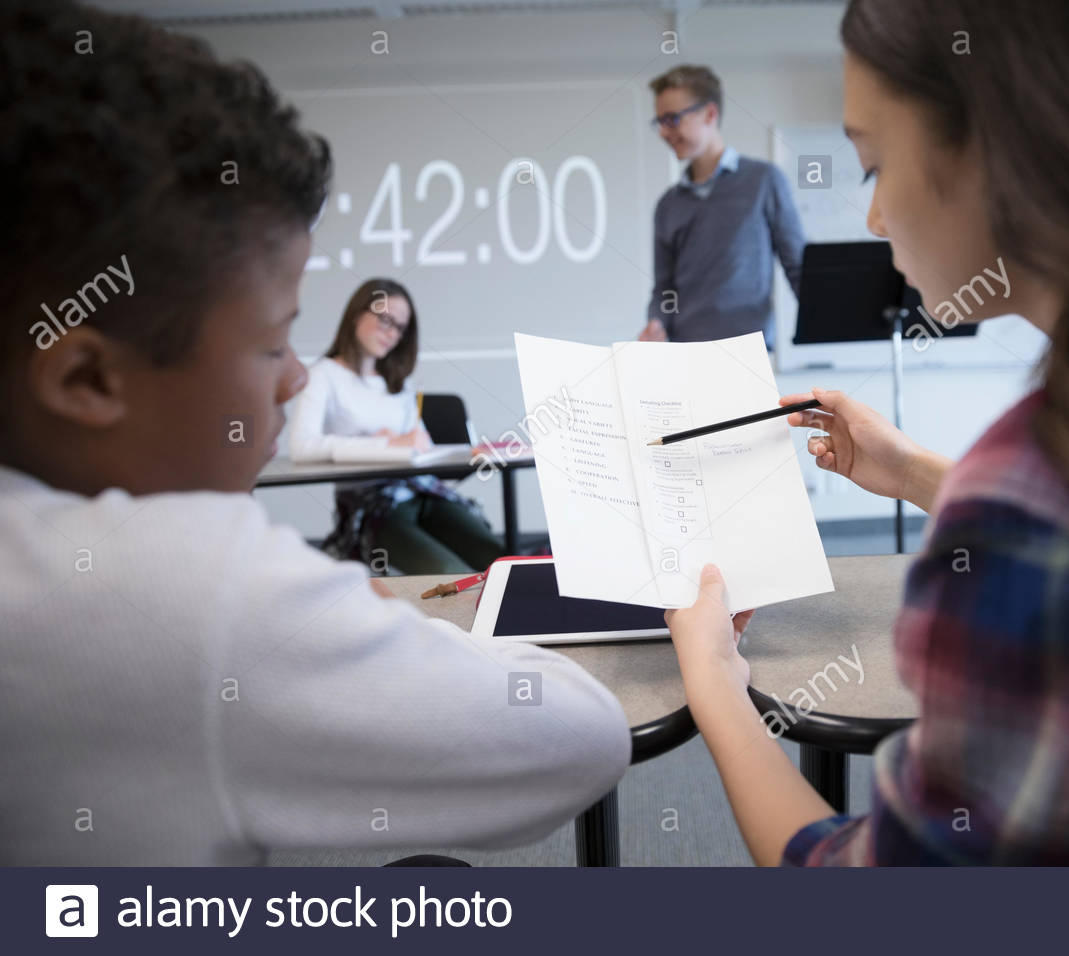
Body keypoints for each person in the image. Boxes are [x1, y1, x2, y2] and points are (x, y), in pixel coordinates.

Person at [666, 0, 1069, 865]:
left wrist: (717, 690)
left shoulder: (1027, 517)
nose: (877, 216)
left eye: (873, 165)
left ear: (1012, 145)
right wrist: (924, 473)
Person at [0, 0, 628, 865]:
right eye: (268, 343)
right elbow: (589, 740)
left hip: (417, 490)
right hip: (372, 514)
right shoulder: (193, 587)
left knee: (486, 552)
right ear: (85, 378)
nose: (291, 374)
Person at [288, 278, 506, 575]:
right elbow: (302, 447)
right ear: (356, 314)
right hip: (373, 509)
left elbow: (416, 442)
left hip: (422, 492)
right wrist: (383, 445)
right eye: (385, 320)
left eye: (401, 327)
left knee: (500, 560)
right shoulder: (322, 376)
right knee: (449, 573)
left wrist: (410, 441)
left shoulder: (398, 381)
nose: (392, 334)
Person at [639, 65, 804, 348]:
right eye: (660, 122)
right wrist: (658, 321)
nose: (664, 132)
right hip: (688, 355)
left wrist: (830, 320)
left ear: (710, 114)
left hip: (749, 353)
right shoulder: (668, 205)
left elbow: (798, 267)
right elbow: (664, 289)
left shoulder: (763, 181)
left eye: (672, 119)